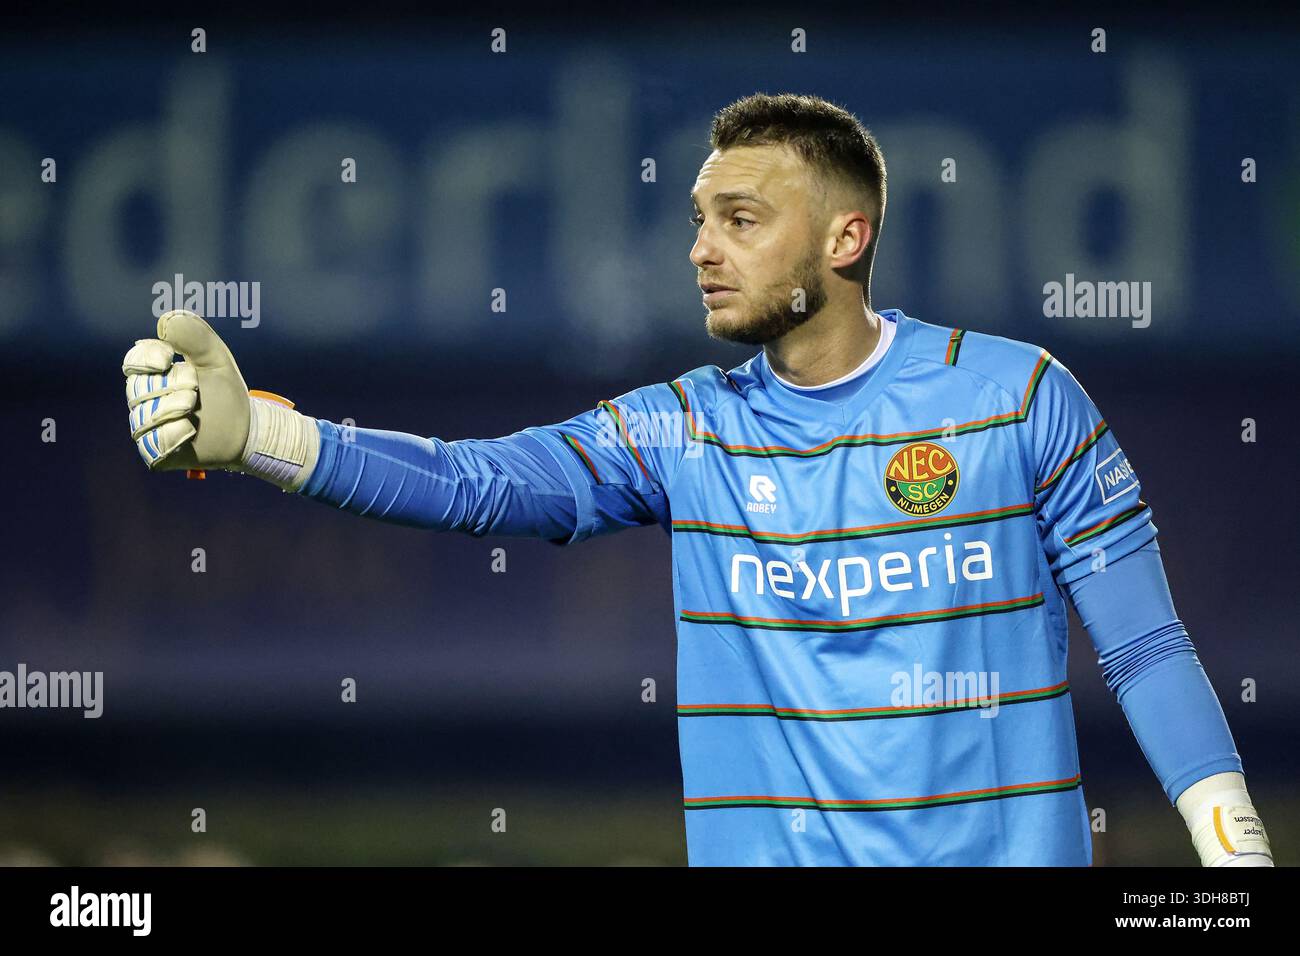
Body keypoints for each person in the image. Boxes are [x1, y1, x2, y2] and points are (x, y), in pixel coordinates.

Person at [122, 92, 1272, 867]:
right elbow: (481, 482)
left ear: (844, 239)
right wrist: (262, 436)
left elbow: (1143, 646)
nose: (700, 249)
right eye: (698, 220)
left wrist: (1235, 855)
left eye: (740, 219)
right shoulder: (682, 429)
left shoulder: (1019, 398)